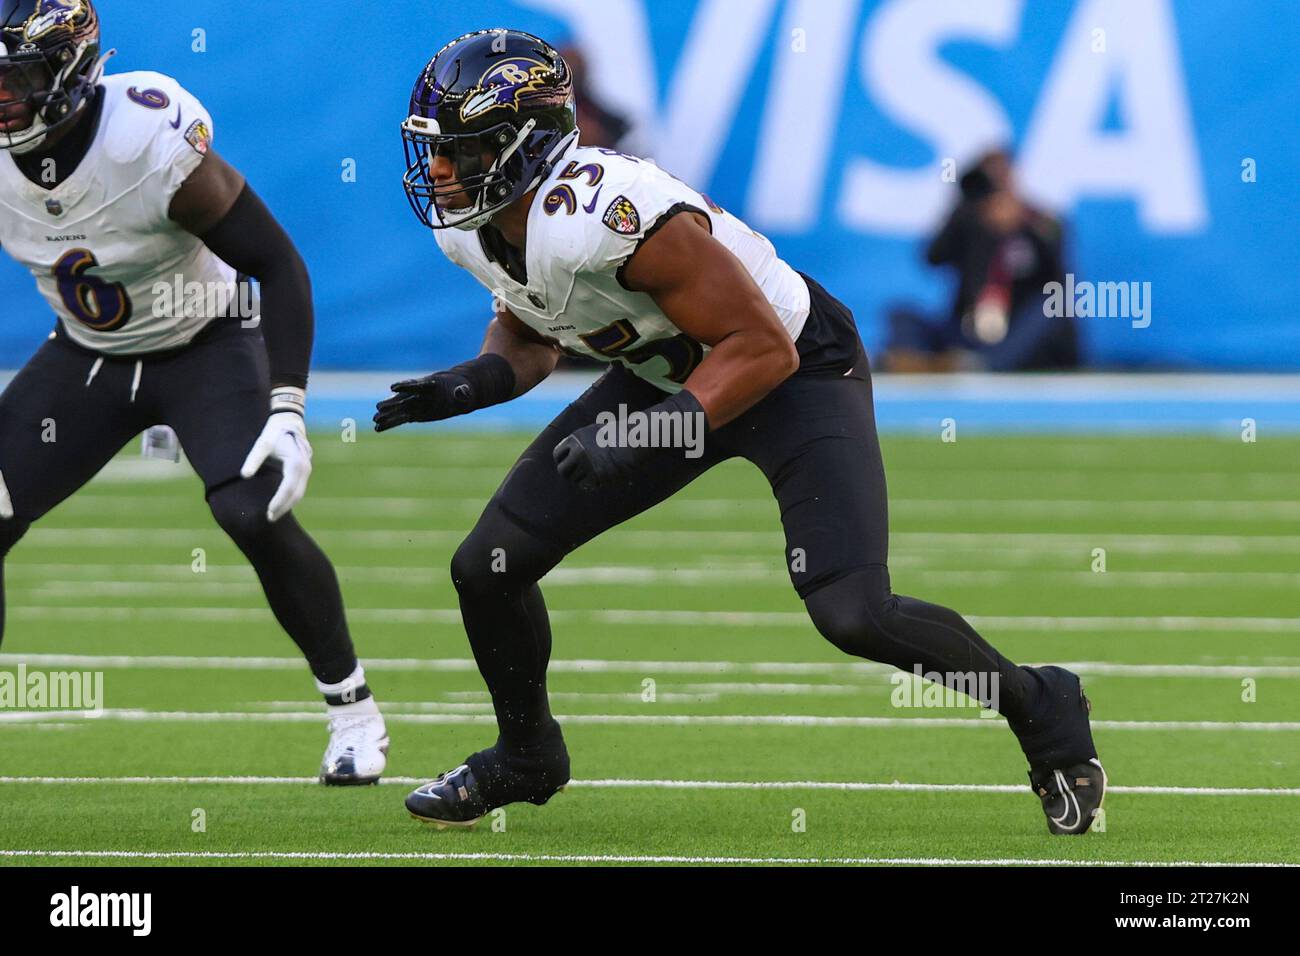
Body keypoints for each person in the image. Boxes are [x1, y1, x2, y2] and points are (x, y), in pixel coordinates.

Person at [379, 29, 1105, 834]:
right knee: (488, 565)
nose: (440, 172)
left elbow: (762, 347)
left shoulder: (606, 214)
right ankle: (526, 756)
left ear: (526, 145)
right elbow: (535, 325)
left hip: (797, 370)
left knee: (852, 611)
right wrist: (473, 381)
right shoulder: (472, 225)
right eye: (436, 151)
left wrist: (640, 436)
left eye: (463, 150)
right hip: (667, 375)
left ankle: (1041, 703)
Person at [0, 0, 387, 783]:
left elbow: (277, 266)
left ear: (68, 73)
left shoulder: (144, 138)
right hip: (88, 355)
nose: (1, 97)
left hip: (205, 342)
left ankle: (354, 713)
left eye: (15, 79)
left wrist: (287, 409)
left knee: (250, 509)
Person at [884, 148, 1080, 372]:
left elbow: (1060, 279)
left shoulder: (1040, 221)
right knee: (900, 313)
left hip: (1018, 329)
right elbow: (932, 258)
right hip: (968, 329)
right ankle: (914, 360)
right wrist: (960, 210)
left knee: (1048, 308)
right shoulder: (966, 221)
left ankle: (984, 365)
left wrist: (1024, 224)